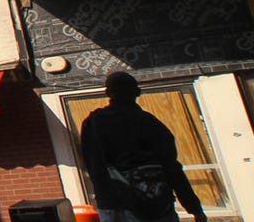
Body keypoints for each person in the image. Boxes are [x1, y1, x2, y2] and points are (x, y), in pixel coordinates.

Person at [80, 71, 208, 222]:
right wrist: (194, 208)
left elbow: (90, 163)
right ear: (138, 92)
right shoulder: (148, 123)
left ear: (108, 93)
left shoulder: (92, 124)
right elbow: (171, 168)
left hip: (112, 205)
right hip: (153, 205)